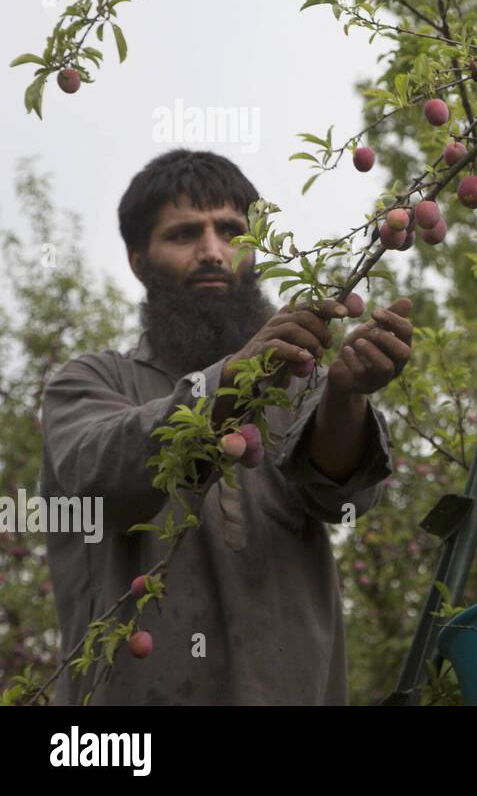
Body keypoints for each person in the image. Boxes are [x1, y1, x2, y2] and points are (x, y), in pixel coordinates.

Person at [38, 149, 413, 704]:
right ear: (139, 260)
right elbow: (102, 474)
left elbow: (346, 497)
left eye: (233, 232)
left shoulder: (299, 384)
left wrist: (344, 396)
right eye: (185, 234)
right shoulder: (90, 382)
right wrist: (233, 376)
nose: (213, 252)